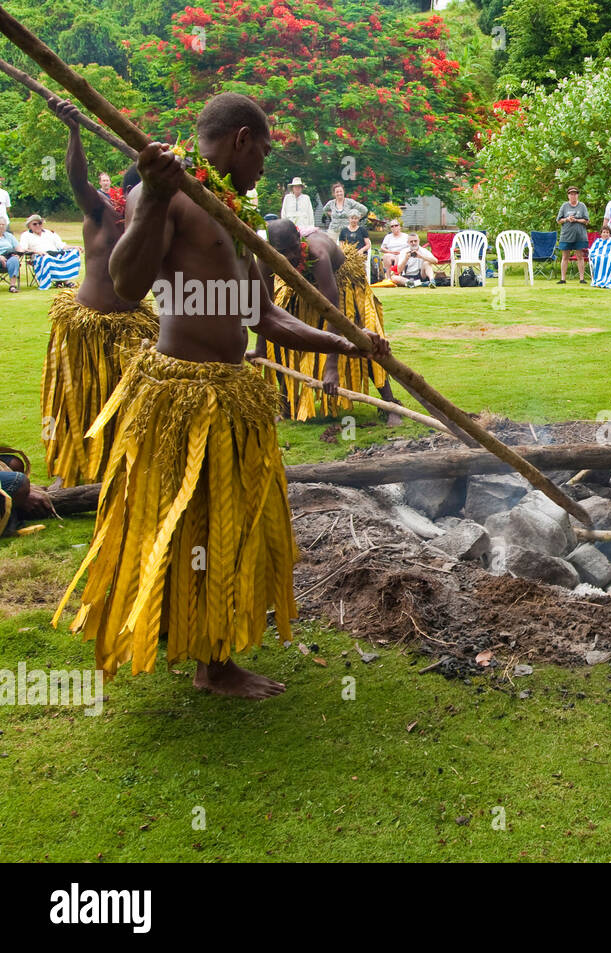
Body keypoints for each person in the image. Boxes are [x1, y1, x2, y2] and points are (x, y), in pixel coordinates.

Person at [55, 92, 388, 697]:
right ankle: (211, 664)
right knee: (195, 524)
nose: (264, 162)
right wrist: (152, 195)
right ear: (239, 139)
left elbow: (264, 317)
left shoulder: (234, 212)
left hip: (233, 394)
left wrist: (349, 344)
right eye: (262, 149)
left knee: (229, 526)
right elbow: (129, 286)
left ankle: (209, 648)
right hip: (181, 396)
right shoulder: (165, 193)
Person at [39, 97, 158, 489]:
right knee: (82, 402)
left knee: (129, 401)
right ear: (128, 194)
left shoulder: (155, 222)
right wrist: (74, 131)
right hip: (89, 326)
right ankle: (72, 471)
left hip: (133, 326)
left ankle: (124, 467)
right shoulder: (101, 212)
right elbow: (76, 179)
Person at [263, 218, 402, 424]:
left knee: (363, 340)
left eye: (294, 248)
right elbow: (265, 306)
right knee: (279, 342)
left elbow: (332, 307)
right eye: (284, 252)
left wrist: (331, 367)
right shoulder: (266, 257)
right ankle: (287, 407)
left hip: (342, 286)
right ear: (273, 249)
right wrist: (260, 347)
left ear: (299, 239)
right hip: (302, 289)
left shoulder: (317, 253)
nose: (292, 256)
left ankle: (391, 403)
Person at [18, 214, 81, 289]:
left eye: (40, 223)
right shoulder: (26, 235)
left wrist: (74, 247)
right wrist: (36, 252)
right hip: (39, 256)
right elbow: (23, 249)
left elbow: (61, 245)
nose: (38, 225)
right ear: (29, 226)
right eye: (35, 224)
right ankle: (66, 282)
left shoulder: (49, 233)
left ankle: (60, 281)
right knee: (47, 259)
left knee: (74, 253)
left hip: (55, 254)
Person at [556, 186, 589, 284]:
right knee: (565, 256)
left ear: (577, 195)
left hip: (580, 235)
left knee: (580, 256)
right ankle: (563, 279)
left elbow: (586, 220)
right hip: (566, 235)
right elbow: (558, 220)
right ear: (568, 196)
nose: (573, 196)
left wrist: (576, 220)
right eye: (571, 194)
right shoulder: (564, 206)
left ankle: (581, 278)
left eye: (575, 194)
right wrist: (567, 219)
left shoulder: (582, 206)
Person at [0, 224, 19, 293]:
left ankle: (12, 286)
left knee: (14, 260)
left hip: (8, 257)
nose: (1, 226)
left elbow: (19, 248)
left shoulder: (9, 236)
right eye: (0, 224)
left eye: (3, 224)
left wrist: (18, 254)